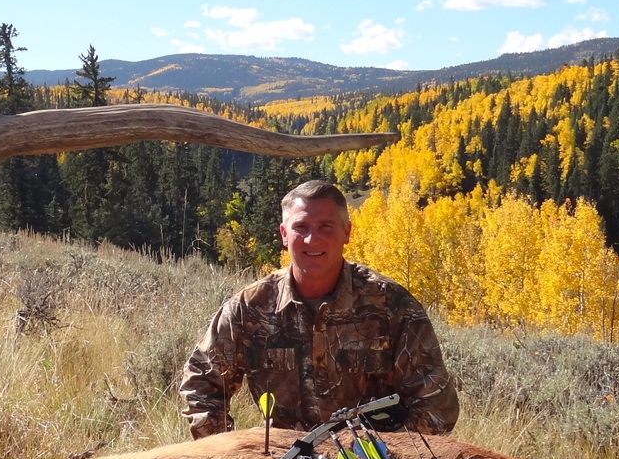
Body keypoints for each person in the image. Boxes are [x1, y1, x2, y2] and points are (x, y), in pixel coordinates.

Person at [180, 180, 458, 438]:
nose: (313, 240)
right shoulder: (249, 308)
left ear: (347, 232)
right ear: (284, 235)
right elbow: (200, 385)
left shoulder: (391, 306)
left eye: (326, 226)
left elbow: (437, 405)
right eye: (301, 227)